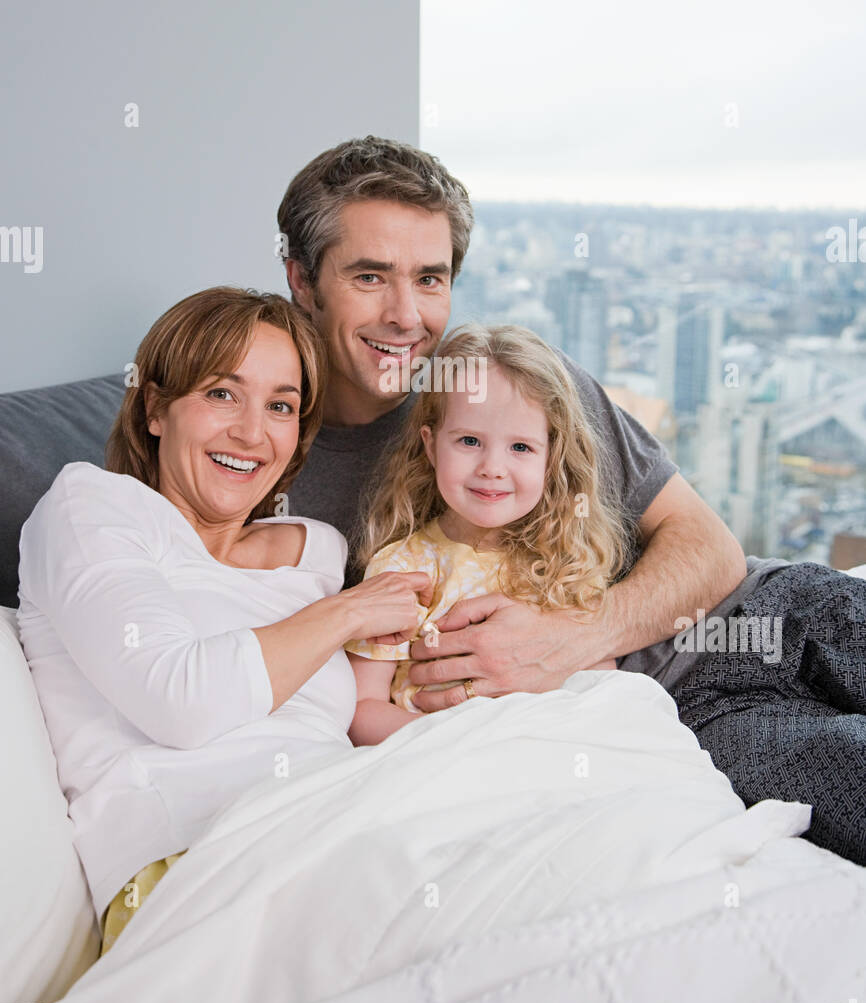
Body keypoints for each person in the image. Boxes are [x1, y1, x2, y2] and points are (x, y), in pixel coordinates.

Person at [278, 134, 866, 863]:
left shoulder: (512, 379)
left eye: (430, 278)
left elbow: (710, 546)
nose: (406, 315)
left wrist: (578, 636)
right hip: (681, 715)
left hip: (765, 608)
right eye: (370, 277)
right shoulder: (264, 458)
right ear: (302, 279)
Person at [17, 287, 431, 953]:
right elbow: (181, 699)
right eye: (221, 393)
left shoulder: (316, 549)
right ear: (156, 408)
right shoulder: (91, 508)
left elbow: (354, 713)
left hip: (350, 821)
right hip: (189, 859)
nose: (251, 431)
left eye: (280, 406)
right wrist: (348, 610)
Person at [344, 322, 626, 743]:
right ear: (430, 444)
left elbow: (599, 691)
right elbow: (362, 710)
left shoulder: (567, 564)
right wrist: (459, 750)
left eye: (520, 447)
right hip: (430, 761)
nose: (492, 467)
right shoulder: (404, 568)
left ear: (551, 458)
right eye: (470, 440)